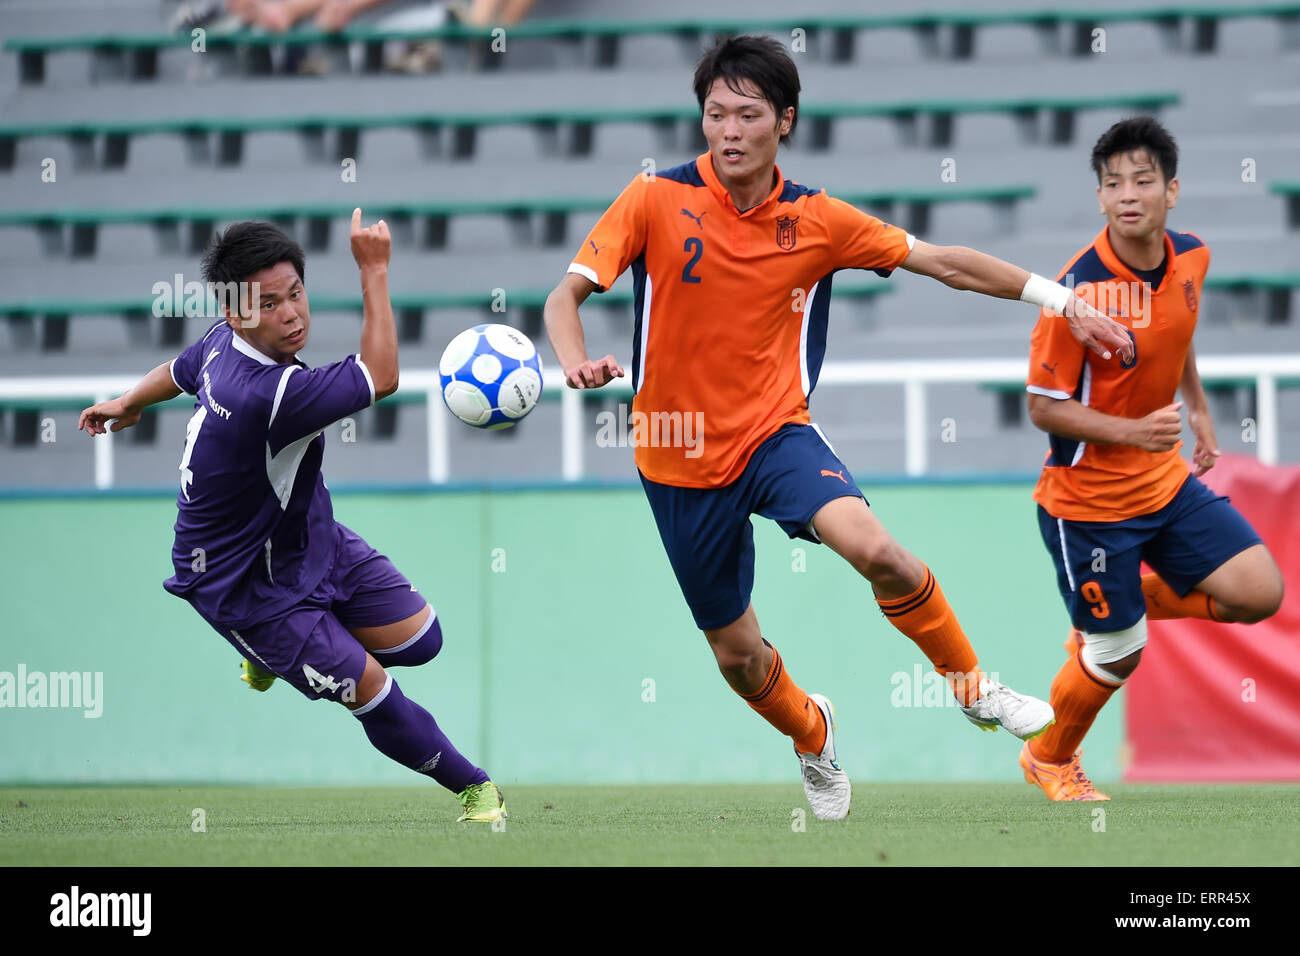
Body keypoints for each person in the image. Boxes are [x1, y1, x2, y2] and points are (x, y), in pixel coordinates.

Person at [542, 34, 1135, 821]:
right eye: (715, 113)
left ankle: (972, 687)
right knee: (738, 654)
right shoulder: (653, 198)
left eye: (747, 113)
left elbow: (946, 263)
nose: (728, 129)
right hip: (675, 454)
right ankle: (813, 734)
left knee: (879, 550)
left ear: (783, 120)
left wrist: (1067, 302)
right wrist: (575, 361)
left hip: (773, 436)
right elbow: (564, 298)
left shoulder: (818, 220)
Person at [78, 211, 506, 824]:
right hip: (244, 586)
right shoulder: (270, 394)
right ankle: (477, 791)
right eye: (269, 303)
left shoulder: (223, 344)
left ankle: (281, 653)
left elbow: (179, 371)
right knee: (372, 689)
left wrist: (128, 400)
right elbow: (381, 375)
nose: (290, 313)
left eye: (296, 293)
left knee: (422, 640)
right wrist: (375, 269)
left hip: (309, 538)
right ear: (236, 313)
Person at [1019, 117, 1284, 800]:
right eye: (1113, 184)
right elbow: (1043, 409)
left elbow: (1177, 327)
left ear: (1172, 190)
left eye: (1142, 181)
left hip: (1163, 488)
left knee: (1259, 593)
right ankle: (1050, 758)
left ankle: (1112, 613)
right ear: (1101, 197)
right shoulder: (1074, 294)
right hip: (1087, 507)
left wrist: (1196, 403)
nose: (1127, 194)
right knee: (1120, 653)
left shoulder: (1192, 254)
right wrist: (1135, 433)